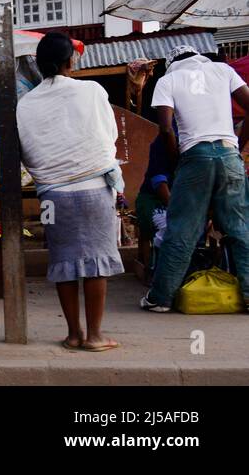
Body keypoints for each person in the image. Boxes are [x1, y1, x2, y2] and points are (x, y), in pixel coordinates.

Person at [18, 32, 125, 350]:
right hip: (94, 189)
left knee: (63, 262)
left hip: (52, 196)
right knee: (96, 262)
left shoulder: (25, 104)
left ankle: (74, 333)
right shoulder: (92, 90)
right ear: (70, 61)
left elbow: (27, 151)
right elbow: (109, 135)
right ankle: (94, 336)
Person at [141, 44, 249, 313]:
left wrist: (178, 159)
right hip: (229, 153)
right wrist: (238, 144)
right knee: (240, 228)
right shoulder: (224, 70)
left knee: (182, 230)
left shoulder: (168, 80)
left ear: (172, 63)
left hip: (195, 155)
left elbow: (166, 128)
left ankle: (160, 298)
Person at [134, 134, 174, 281]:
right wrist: (175, 210)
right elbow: (159, 182)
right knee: (157, 226)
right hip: (151, 198)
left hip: (175, 198)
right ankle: (150, 268)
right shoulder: (161, 144)